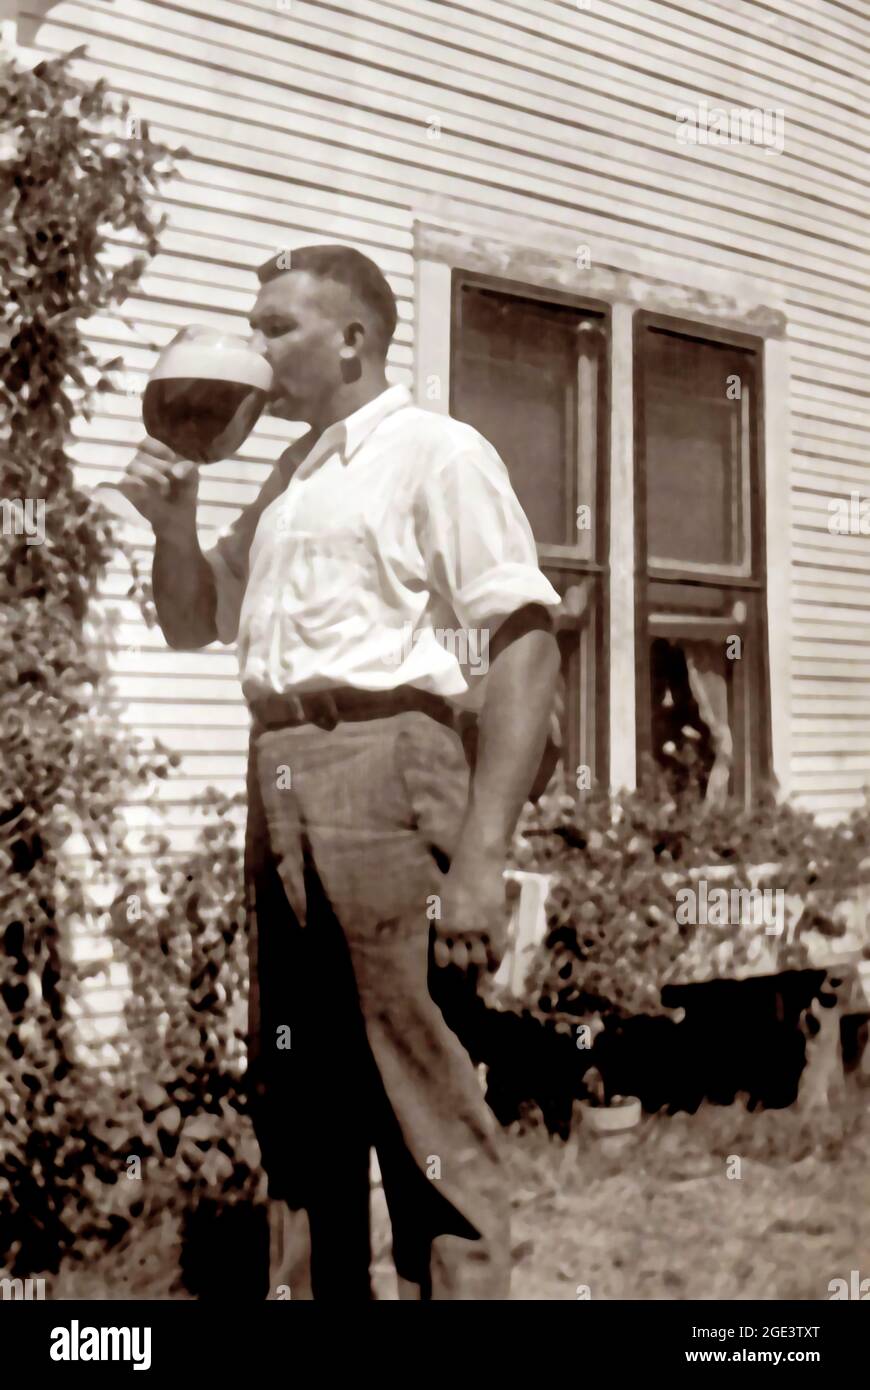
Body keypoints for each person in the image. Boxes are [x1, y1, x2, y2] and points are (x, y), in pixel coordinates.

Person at [120, 243, 562, 1300]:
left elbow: (526, 643)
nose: (254, 347)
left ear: (354, 339)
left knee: (421, 1083)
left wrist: (481, 861)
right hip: (278, 770)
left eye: (277, 327)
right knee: (301, 1090)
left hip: (389, 765)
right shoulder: (290, 471)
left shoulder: (435, 453)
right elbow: (191, 620)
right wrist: (173, 524)